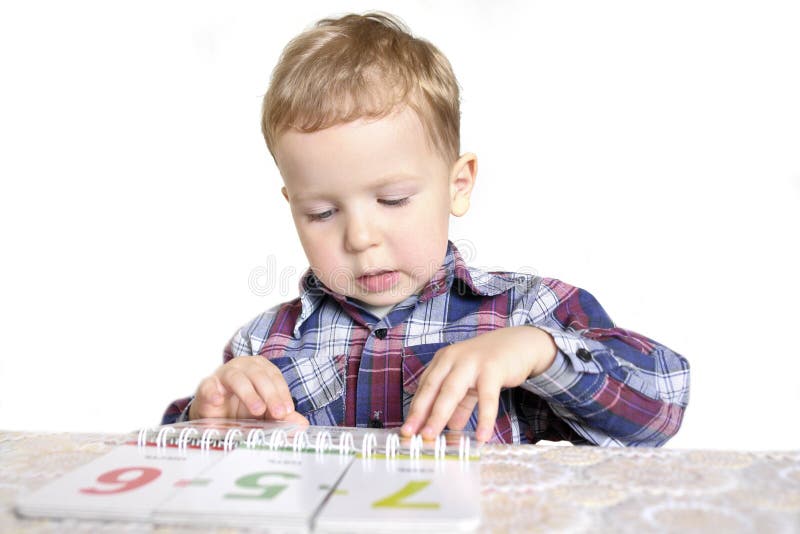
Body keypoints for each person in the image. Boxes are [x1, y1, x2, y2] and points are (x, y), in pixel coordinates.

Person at [162, 12, 690, 446]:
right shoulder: (264, 344)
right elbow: (176, 463)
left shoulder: (528, 312)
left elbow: (661, 404)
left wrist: (536, 351)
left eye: (392, 200)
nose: (360, 238)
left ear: (458, 185)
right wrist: (212, 420)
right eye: (321, 213)